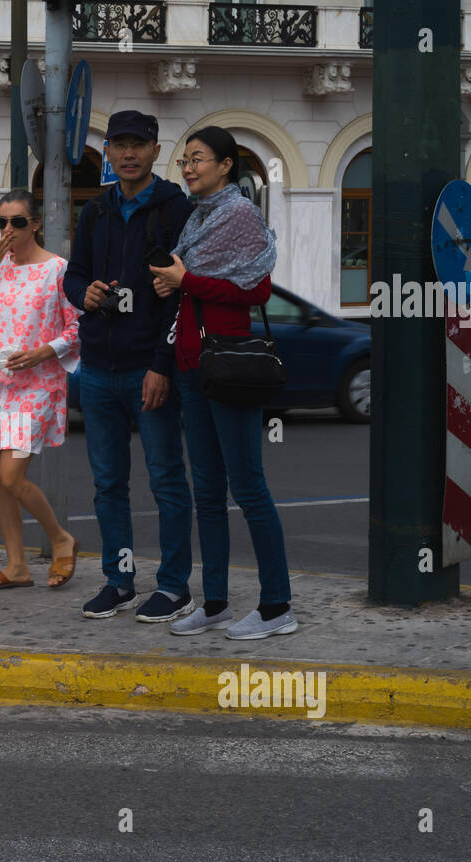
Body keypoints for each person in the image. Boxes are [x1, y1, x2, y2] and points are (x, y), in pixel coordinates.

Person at [151, 125, 296, 641]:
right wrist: (176, 283)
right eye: (185, 160)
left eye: (198, 159)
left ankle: (277, 606)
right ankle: (213, 602)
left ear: (226, 165)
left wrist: (187, 281)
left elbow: (256, 287)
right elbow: (184, 289)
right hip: (193, 366)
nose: (188, 168)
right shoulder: (198, 219)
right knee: (207, 493)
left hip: (230, 364)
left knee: (249, 487)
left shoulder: (240, 216)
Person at [62, 109, 196, 622]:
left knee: (166, 480)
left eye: (137, 144)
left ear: (155, 150)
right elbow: (73, 277)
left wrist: (162, 365)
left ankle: (174, 585)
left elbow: (181, 300)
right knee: (108, 484)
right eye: (119, 144)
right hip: (97, 368)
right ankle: (119, 582)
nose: (128, 153)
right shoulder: (95, 212)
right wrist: (86, 293)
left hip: (150, 367)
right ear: (108, 152)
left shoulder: (175, 210)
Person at [0, 189, 81, 591]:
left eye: (16, 221)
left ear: (36, 224)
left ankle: (61, 539)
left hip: (38, 383)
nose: (8, 230)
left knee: (13, 477)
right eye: (1, 222)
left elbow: (76, 327)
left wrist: (43, 351)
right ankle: (16, 566)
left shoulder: (59, 270)